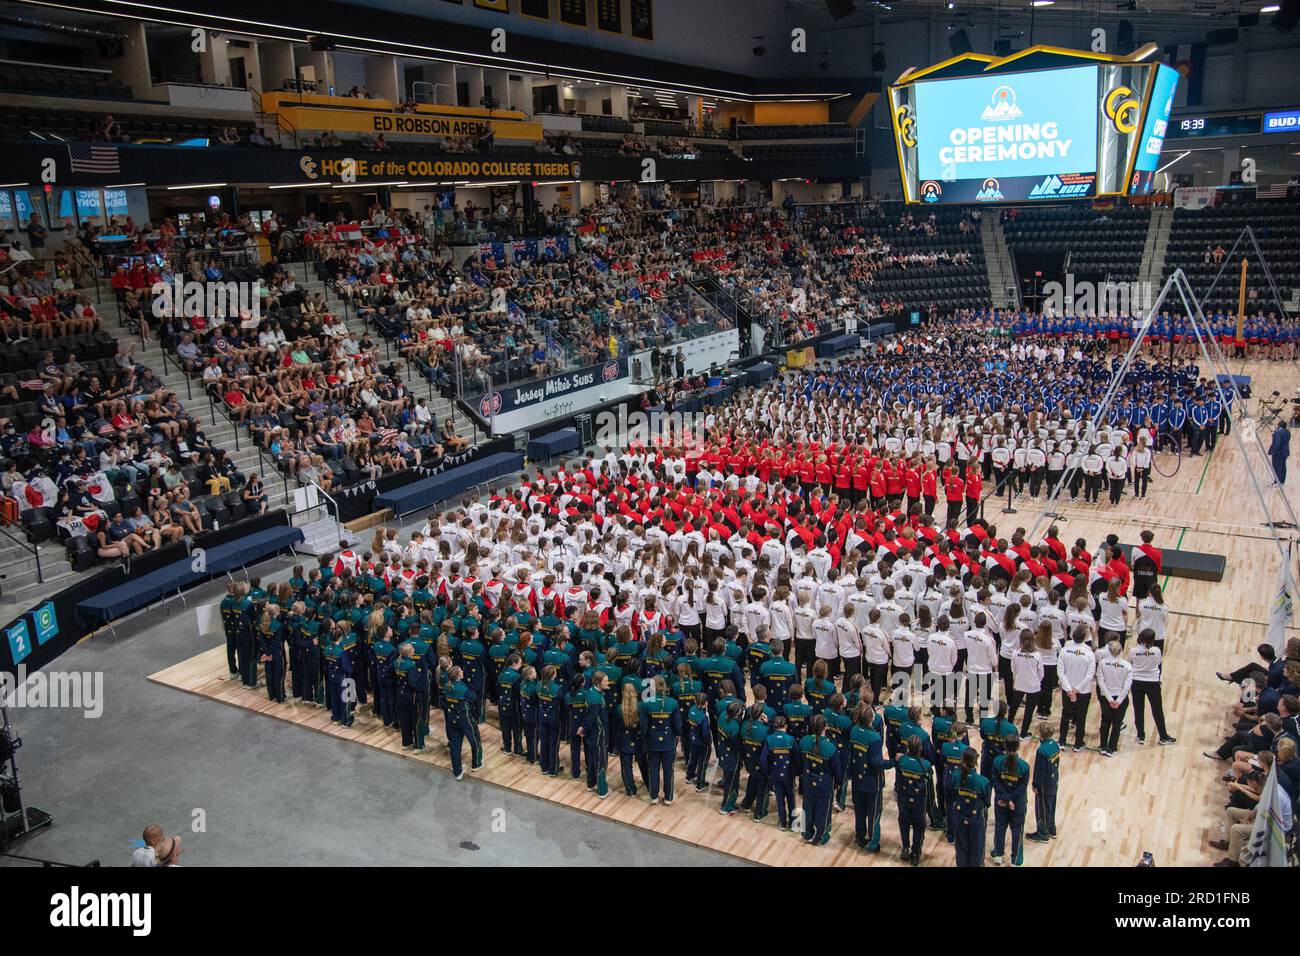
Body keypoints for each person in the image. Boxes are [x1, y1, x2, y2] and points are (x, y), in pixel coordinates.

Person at [849, 699, 893, 851]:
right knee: (874, 814)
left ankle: (860, 836)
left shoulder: (854, 730)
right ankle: (873, 842)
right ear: (871, 719)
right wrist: (893, 762)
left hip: (857, 779)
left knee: (859, 811)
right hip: (872, 783)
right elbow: (876, 763)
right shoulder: (874, 738)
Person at [1129, 628, 1177, 745]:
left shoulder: (1133, 650)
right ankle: (1163, 737)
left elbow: (1129, 663)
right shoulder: (1156, 650)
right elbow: (1158, 663)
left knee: (1138, 709)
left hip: (1136, 682)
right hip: (1152, 682)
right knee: (1157, 710)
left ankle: (1140, 735)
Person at [638, 675, 681, 805]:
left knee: (653, 768)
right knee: (669, 770)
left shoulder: (646, 703)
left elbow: (643, 726)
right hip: (668, 741)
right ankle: (668, 797)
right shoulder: (672, 702)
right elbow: (678, 725)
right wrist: (677, 736)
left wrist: (645, 738)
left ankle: (654, 796)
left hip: (652, 741)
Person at [798, 714, 840, 846]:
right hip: (824, 784)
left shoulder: (804, 741)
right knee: (823, 810)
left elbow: (799, 762)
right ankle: (821, 836)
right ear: (825, 727)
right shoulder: (830, 748)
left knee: (807, 807)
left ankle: (806, 833)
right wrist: (838, 783)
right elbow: (837, 770)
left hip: (807, 781)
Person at [990, 734, 1030, 866]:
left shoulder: (997, 761)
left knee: (1000, 827)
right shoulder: (1024, 766)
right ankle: (1015, 859)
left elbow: (995, 781)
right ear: (1018, 747)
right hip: (1017, 803)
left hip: (1001, 800)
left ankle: (998, 854)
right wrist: (1011, 800)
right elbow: (1022, 787)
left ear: (1004, 746)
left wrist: (1005, 799)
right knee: (1017, 830)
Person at [948, 747, 991, 867]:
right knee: (977, 848)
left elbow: (950, 795)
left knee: (961, 847)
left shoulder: (954, 776)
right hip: (976, 819)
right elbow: (987, 802)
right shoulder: (983, 782)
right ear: (976, 761)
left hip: (959, 816)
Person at [1057, 625, 1096, 752]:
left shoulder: (1064, 650)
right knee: (1081, 716)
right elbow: (1090, 675)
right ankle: (1078, 743)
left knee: (1065, 714)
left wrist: (1069, 689)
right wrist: (1077, 689)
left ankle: (1062, 740)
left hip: (1067, 690)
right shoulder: (1089, 653)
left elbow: (1060, 672)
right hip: (1083, 691)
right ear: (1085, 637)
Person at [894, 734, 932, 865]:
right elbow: (929, 780)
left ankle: (905, 847)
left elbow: (898, 778)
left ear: (908, 747)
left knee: (904, 821)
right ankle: (915, 853)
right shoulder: (925, 765)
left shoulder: (902, 761)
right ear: (920, 748)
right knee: (919, 826)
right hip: (919, 800)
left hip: (903, 797)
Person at [442, 664, 483, 779]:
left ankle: (457, 772)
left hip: (452, 718)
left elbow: (443, 701)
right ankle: (476, 763)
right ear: (458, 676)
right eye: (461, 671)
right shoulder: (463, 688)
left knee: (455, 745)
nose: (463, 671)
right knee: (475, 740)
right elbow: (474, 697)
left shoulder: (447, 686)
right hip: (465, 720)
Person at [760, 714, 799, 831]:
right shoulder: (790, 739)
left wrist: (768, 772)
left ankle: (782, 823)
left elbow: (762, 759)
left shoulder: (769, 739)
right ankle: (793, 823)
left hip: (775, 773)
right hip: (788, 774)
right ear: (786, 726)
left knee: (779, 798)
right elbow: (797, 757)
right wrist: (796, 772)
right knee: (791, 797)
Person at [1095, 640, 1133, 756]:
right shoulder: (1127, 665)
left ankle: (1102, 746)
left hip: (1106, 697)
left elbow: (1100, 682)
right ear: (1121, 651)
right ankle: (1112, 748)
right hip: (1120, 698)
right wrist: (1118, 701)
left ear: (1109, 651)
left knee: (1105, 721)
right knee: (1117, 724)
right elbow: (1127, 685)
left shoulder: (1102, 663)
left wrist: (1109, 699)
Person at [1026, 721, 1060, 843]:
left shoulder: (1042, 751)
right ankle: (1052, 829)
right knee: (1051, 806)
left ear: (1040, 734)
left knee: (1042, 809)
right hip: (1054, 780)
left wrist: (1035, 785)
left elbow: (1039, 771)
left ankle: (1043, 834)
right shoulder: (1055, 745)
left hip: (1044, 785)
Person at [1270, 421, 1290, 486]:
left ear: (1279, 426)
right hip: (1285, 452)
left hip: (1278, 453)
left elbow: (1277, 443)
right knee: (1283, 467)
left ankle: (1277, 482)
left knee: (1276, 467)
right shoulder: (1287, 432)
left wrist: (1273, 451)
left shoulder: (1278, 433)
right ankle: (1282, 481)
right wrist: (1275, 434)